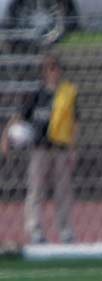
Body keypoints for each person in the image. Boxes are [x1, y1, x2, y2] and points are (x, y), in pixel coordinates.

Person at [1, 53, 79, 245]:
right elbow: (20, 116)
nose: (53, 72)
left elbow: (75, 123)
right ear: (44, 72)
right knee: (36, 191)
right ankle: (35, 230)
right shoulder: (37, 95)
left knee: (63, 192)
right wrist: (5, 136)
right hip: (40, 148)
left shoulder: (67, 94)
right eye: (49, 68)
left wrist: (73, 147)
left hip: (60, 148)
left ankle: (66, 231)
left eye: (56, 68)